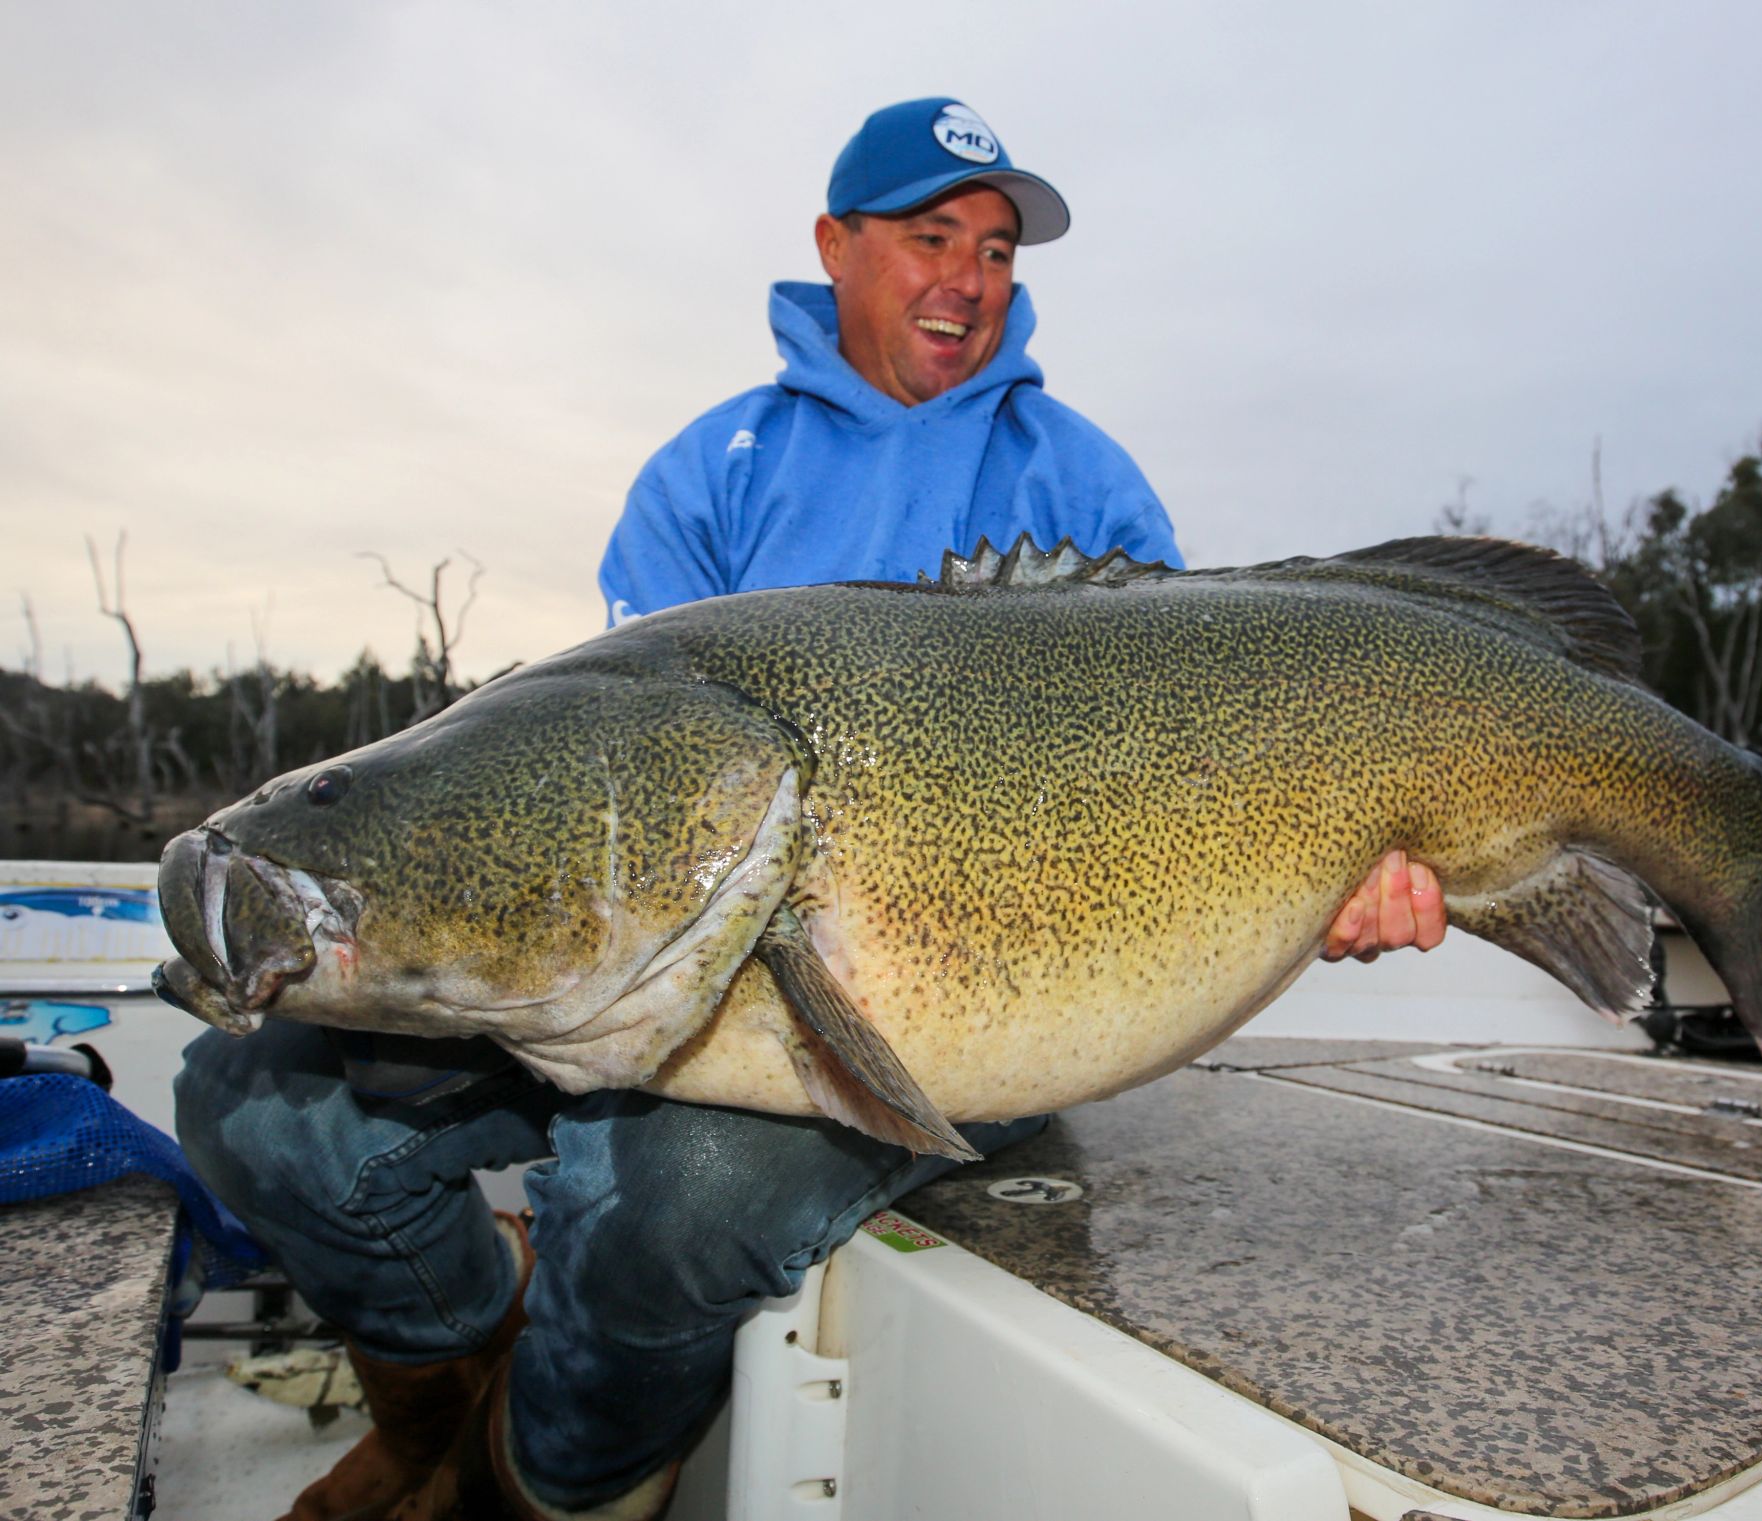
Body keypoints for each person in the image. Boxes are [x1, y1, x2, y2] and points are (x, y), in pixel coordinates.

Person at [177, 98, 1445, 1521]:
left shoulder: (1085, 483)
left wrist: (1335, 867)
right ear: (835, 246)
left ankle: (544, 1479)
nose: (967, 277)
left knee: (671, 1203)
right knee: (256, 1105)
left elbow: (1220, 766)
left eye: (997, 248)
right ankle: (444, 1384)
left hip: (965, 1014)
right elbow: (611, 798)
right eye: (928, 236)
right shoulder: (710, 473)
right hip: (660, 957)